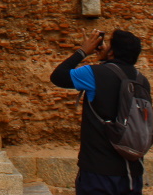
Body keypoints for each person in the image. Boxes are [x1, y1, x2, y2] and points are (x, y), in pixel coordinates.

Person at [51, 29, 146, 195]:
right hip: (132, 171)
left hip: (98, 172)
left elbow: (58, 76)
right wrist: (108, 58)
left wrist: (83, 51)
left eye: (109, 44)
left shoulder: (94, 74)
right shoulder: (141, 80)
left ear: (113, 51)